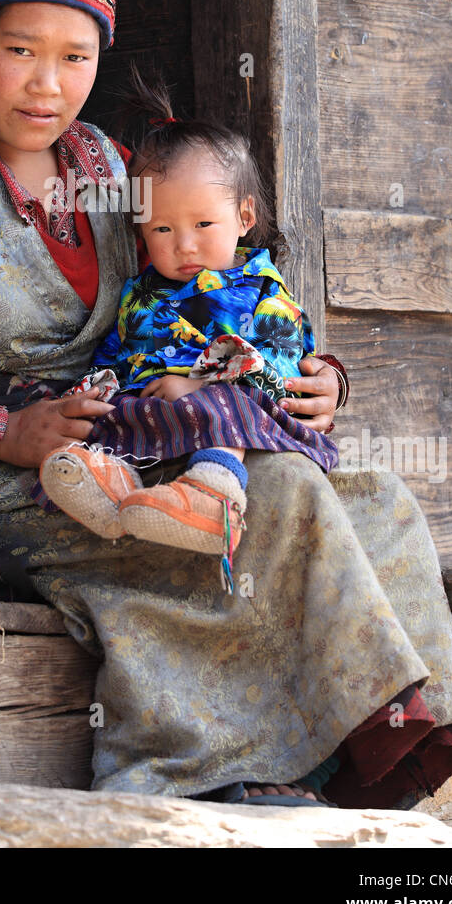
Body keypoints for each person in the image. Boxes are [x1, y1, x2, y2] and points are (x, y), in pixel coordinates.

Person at [0, 0, 452, 808]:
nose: (48, 85)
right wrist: (6, 431)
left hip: (149, 436)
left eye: (76, 57)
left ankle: (374, 766)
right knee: (279, 500)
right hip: (12, 478)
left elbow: (211, 285)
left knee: (377, 499)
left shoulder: (114, 168)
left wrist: (310, 376)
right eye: (21, 50)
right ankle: (211, 774)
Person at [39, 70, 340, 595]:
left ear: (244, 215)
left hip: (237, 414)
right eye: (162, 230)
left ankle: (213, 492)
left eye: (203, 225)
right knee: (111, 417)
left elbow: (283, 366)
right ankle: (113, 495)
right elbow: (117, 349)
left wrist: (200, 385)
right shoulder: (139, 292)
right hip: (158, 412)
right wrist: (98, 389)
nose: (183, 246)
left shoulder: (259, 292)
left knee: (229, 405)